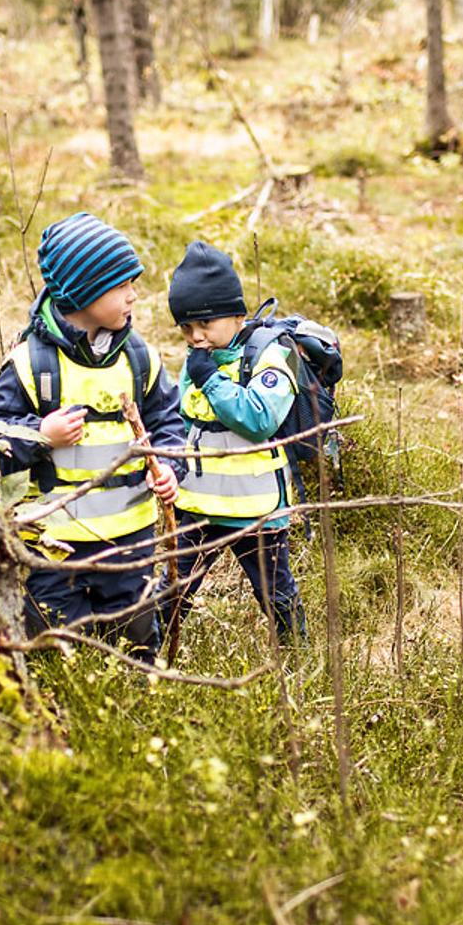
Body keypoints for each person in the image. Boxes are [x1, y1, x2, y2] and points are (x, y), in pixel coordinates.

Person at [0, 213, 182, 654]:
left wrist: (169, 466)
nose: (133, 295)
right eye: (121, 285)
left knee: (136, 638)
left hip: (130, 538)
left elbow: (169, 422)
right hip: (53, 544)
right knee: (55, 642)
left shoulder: (139, 359)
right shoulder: (31, 363)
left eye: (132, 283)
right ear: (84, 292)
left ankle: (141, 690)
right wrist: (41, 435)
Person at [158, 241, 306, 645]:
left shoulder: (271, 356)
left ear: (237, 315)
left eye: (205, 324)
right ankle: (147, 658)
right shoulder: (198, 360)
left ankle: (300, 659)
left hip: (257, 512)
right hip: (199, 506)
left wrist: (210, 379)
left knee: (276, 596)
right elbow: (182, 420)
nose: (196, 337)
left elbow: (259, 418)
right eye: (186, 328)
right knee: (172, 593)